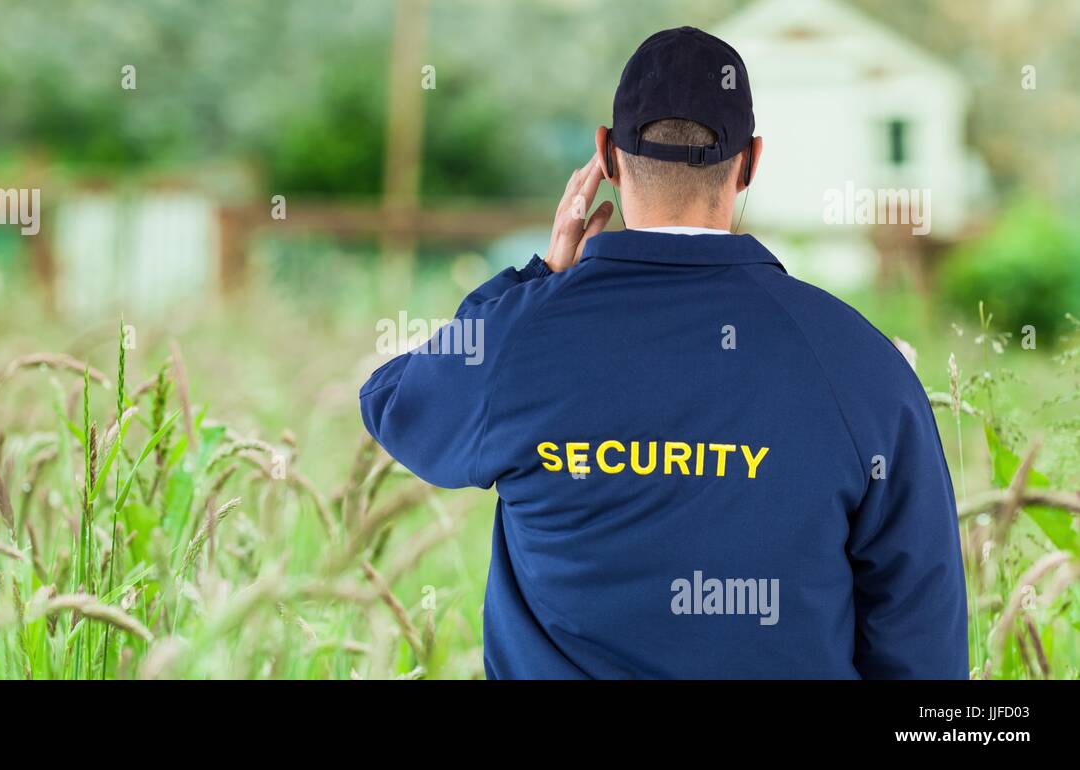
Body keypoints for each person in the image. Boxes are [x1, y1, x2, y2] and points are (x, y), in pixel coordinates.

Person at [359, 26, 968, 679]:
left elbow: (394, 402)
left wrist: (537, 278)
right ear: (752, 161)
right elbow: (921, 642)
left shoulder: (522, 341)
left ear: (607, 157)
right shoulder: (862, 365)